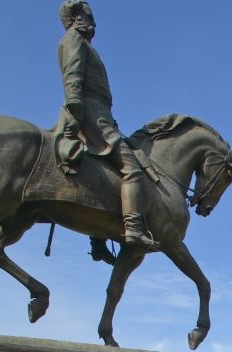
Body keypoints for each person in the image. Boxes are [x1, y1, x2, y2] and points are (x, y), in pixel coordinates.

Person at [57, 0, 157, 260]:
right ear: (75, 18)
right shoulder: (74, 39)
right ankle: (134, 229)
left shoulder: (85, 44)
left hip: (99, 115)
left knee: (102, 177)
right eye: (88, 15)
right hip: (90, 114)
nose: (93, 22)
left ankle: (98, 243)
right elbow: (73, 81)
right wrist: (75, 122)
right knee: (132, 170)